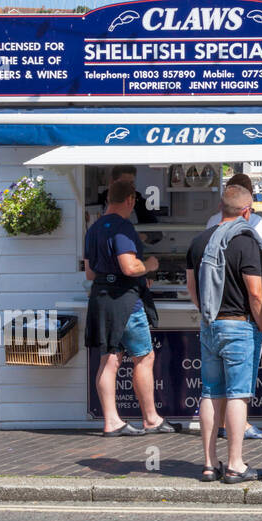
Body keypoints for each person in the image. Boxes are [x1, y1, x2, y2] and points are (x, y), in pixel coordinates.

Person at [186, 183, 262, 483]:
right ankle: (236, 464)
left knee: (210, 392)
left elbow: (192, 289)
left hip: (209, 326)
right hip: (239, 324)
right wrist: (261, 323)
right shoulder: (246, 241)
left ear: (221, 208)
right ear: (246, 211)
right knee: (238, 395)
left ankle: (209, 464)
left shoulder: (199, 241)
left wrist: (209, 314)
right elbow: (256, 293)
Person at [83, 179, 176, 437]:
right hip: (125, 301)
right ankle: (151, 418)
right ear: (130, 201)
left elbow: (90, 273)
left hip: (101, 297)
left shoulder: (94, 228)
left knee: (109, 360)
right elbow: (129, 266)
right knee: (144, 357)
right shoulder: (123, 227)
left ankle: (112, 421)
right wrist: (150, 265)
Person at [205, 172, 262, 440]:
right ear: (247, 206)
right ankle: (241, 433)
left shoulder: (212, 222)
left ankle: (215, 444)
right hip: (241, 315)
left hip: (213, 316)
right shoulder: (254, 223)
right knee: (240, 386)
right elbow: (258, 271)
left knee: (212, 388)